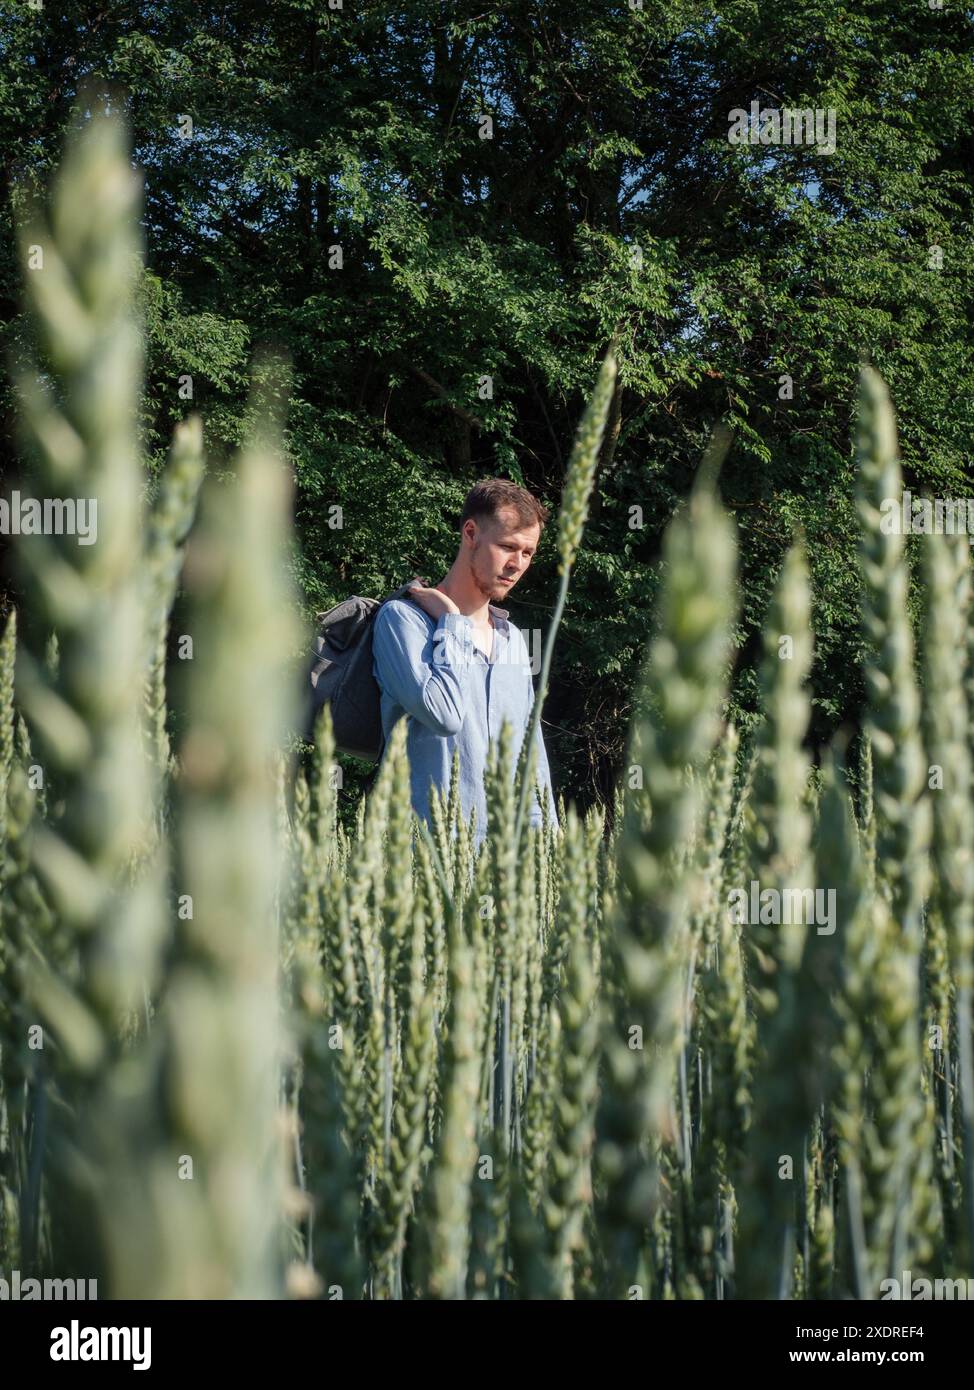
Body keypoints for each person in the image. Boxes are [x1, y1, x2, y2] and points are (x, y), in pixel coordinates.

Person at [371, 478, 558, 847]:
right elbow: (445, 715)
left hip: (503, 857)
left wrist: (549, 846)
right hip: (427, 853)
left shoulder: (513, 641)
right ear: (470, 533)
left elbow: (530, 755)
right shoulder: (403, 621)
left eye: (528, 553)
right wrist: (452, 623)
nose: (516, 564)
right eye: (507, 547)